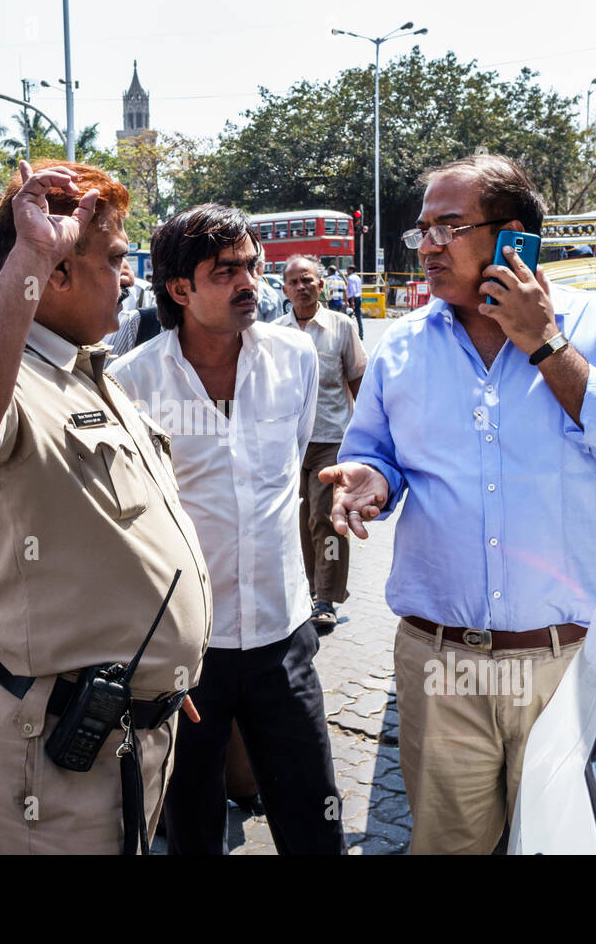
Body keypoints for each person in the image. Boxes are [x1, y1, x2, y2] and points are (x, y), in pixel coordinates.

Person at [323, 154, 596, 854]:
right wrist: (373, 480)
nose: (427, 245)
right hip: (440, 667)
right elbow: (375, 451)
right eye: (421, 230)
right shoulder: (400, 349)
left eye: (448, 227)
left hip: (572, 669)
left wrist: (546, 345)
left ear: (513, 236)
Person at [0, 160, 211, 855]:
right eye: (113, 258)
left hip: (124, 725)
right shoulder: (6, 373)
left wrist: (162, 671)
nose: (130, 274)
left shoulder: (92, 372)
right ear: (58, 273)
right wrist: (32, 249)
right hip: (50, 746)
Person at [111, 204, 345, 856]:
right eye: (226, 271)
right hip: (187, 652)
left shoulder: (294, 358)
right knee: (190, 823)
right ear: (180, 289)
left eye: (252, 266)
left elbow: (293, 465)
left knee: (312, 814)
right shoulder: (133, 382)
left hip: (282, 630)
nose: (249, 283)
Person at [274, 254, 367, 636]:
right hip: (288, 442)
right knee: (298, 519)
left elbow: (359, 382)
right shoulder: (274, 332)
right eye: (294, 282)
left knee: (324, 519)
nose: (301, 287)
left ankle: (325, 597)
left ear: (321, 284)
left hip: (332, 439)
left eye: (308, 280)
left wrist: (367, 438)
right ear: (284, 289)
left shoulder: (342, 327)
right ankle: (308, 591)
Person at [345, 265, 365, 341]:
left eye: (348, 270)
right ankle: (361, 333)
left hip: (352, 298)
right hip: (358, 298)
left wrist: (352, 301)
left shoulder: (350, 278)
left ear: (351, 270)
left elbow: (352, 290)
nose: (347, 271)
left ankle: (349, 334)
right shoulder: (358, 278)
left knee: (348, 316)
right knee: (358, 316)